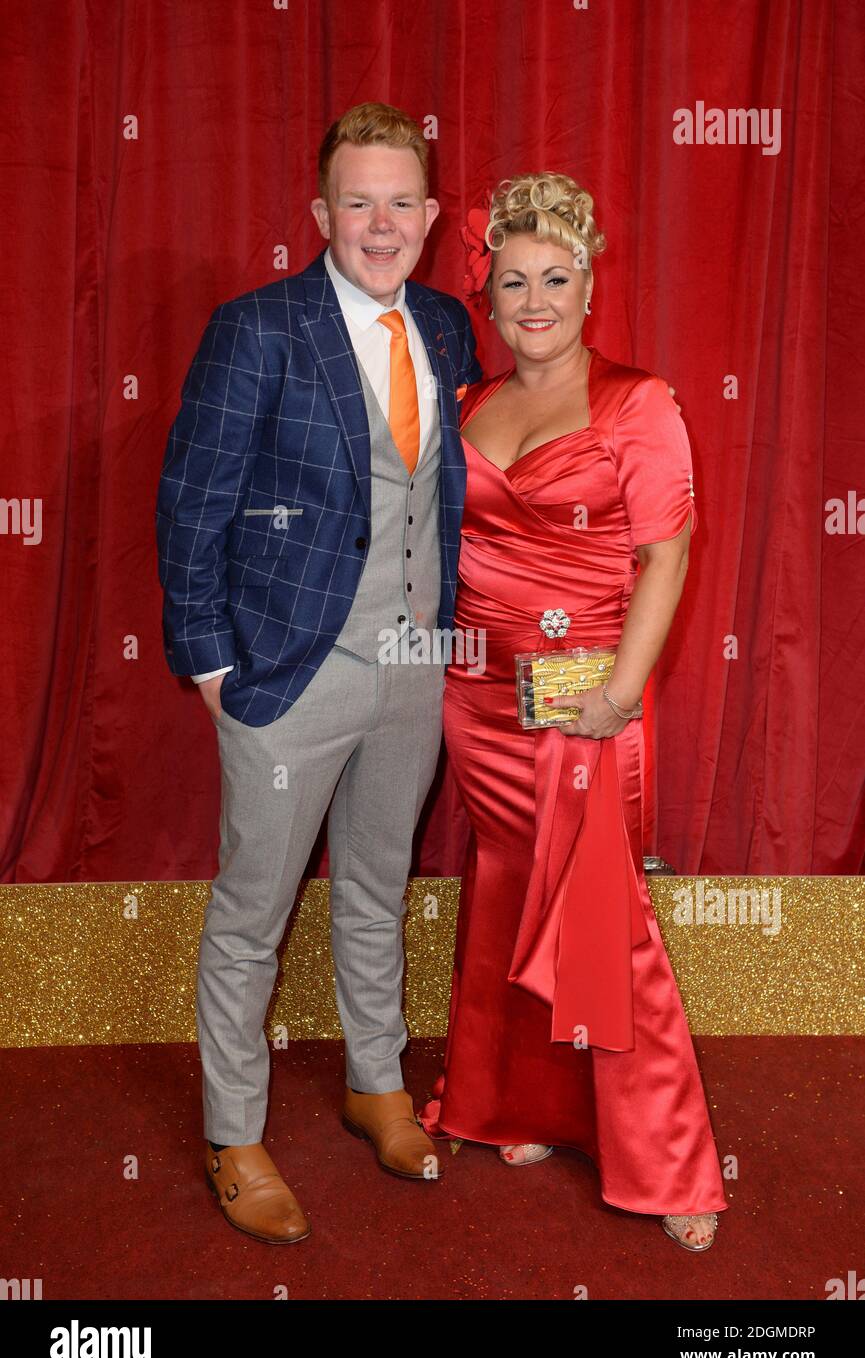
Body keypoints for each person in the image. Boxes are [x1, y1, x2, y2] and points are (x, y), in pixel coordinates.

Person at [156, 102, 482, 1244]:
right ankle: (232, 1132)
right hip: (286, 676)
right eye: (358, 201)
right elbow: (192, 502)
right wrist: (207, 660)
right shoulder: (258, 328)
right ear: (320, 213)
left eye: (402, 201)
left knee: (376, 886)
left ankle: (375, 1083)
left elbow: (454, 498)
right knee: (252, 912)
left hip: (414, 668)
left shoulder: (446, 326)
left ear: (433, 218)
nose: (380, 223)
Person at [417, 173, 728, 1252]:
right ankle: (523, 1105)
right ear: (489, 300)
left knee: (601, 917)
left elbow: (666, 552)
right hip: (479, 701)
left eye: (556, 277)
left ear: (588, 287)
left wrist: (617, 694)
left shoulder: (637, 402)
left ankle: (668, 1161)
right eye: (513, 282)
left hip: (588, 701)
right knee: (507, 891)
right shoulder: (469, 406)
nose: (535, 300)